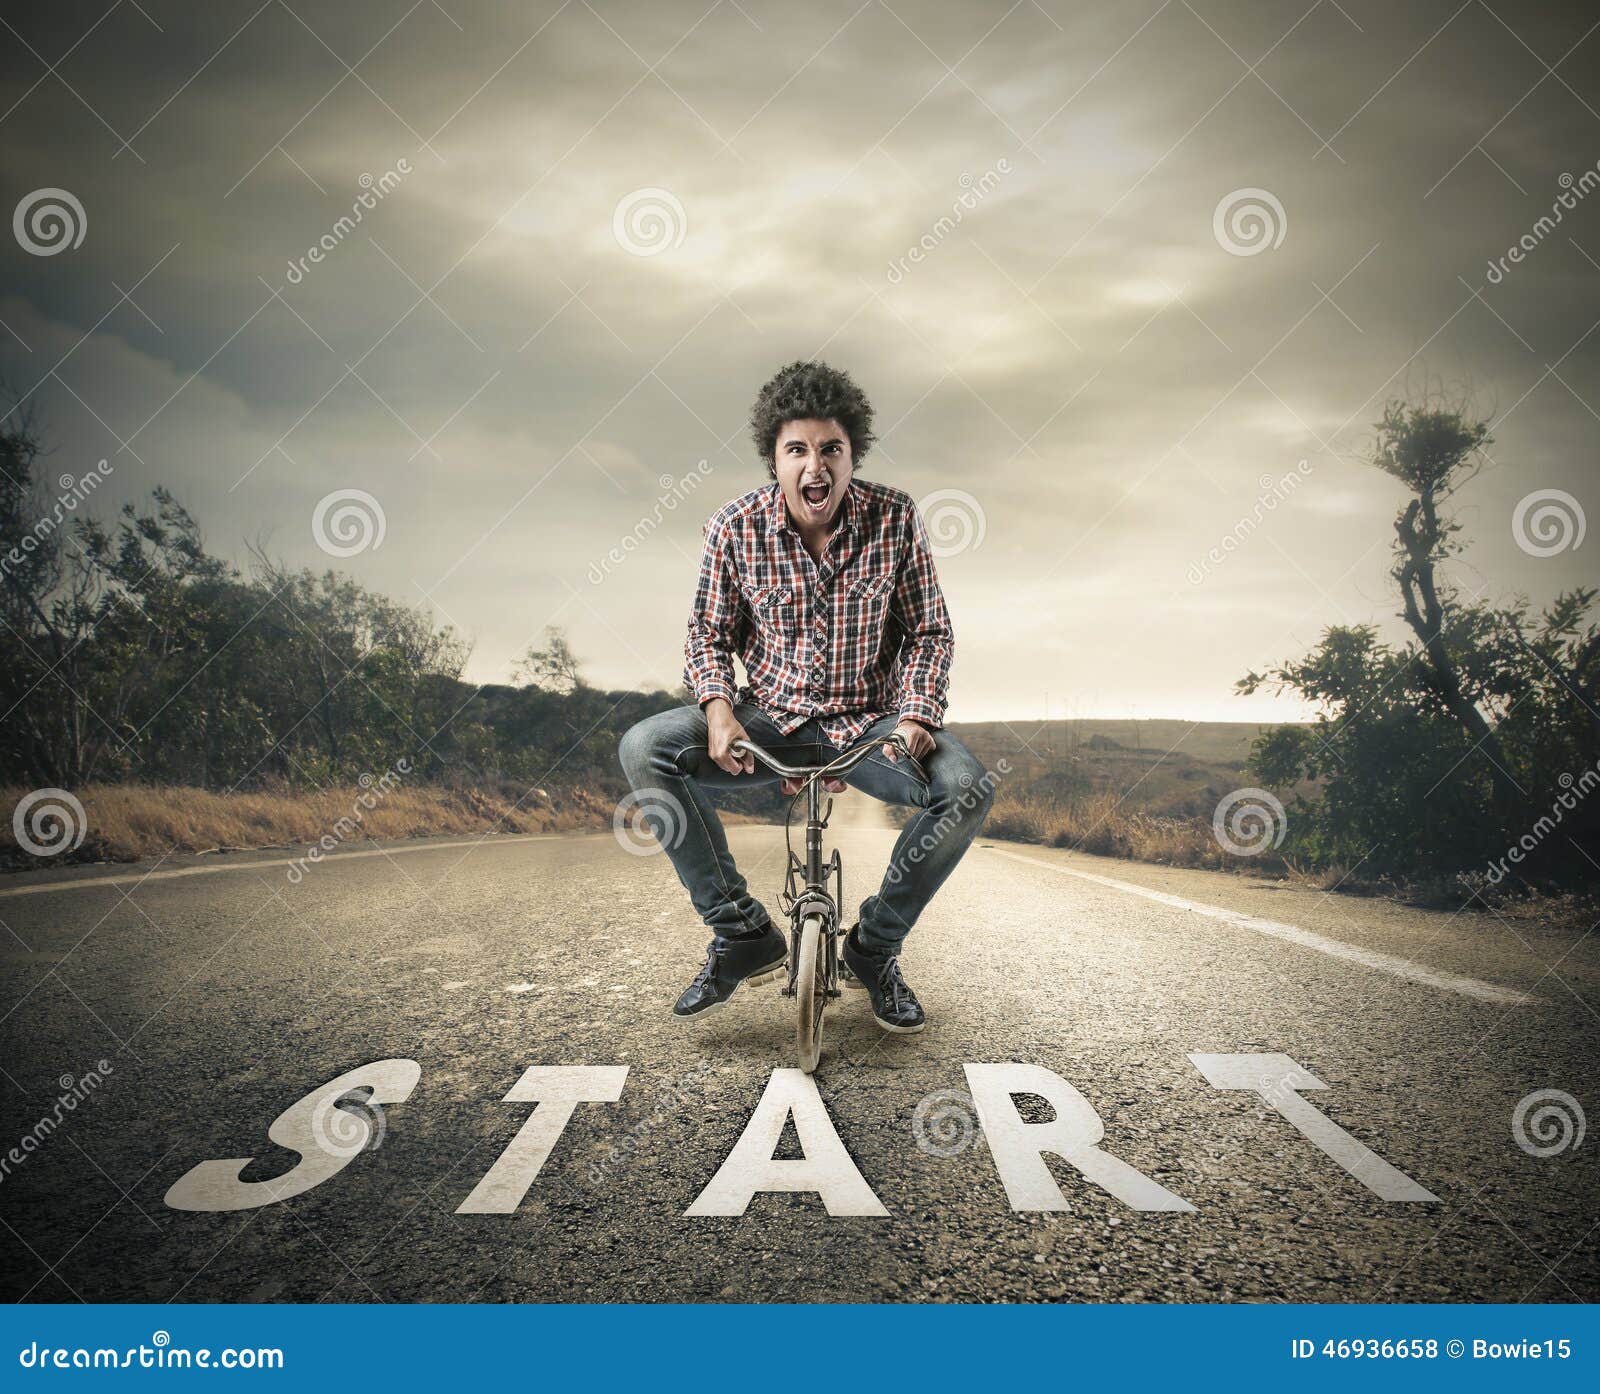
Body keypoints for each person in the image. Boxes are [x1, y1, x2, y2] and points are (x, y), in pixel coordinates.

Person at [617, 360, 994, 1034]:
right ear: (774, 459)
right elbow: (707, 631)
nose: (814, 467)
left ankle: (874, 950)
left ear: (852, 457)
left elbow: (930, 631)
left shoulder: (896, 518)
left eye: (831, 450)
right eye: (798, 450)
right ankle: (742, 935)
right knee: (644, 746)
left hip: (870, 728)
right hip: (771, 721)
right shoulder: (734, 529)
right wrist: (719, 711)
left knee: (965, 786)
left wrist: (915, 715)